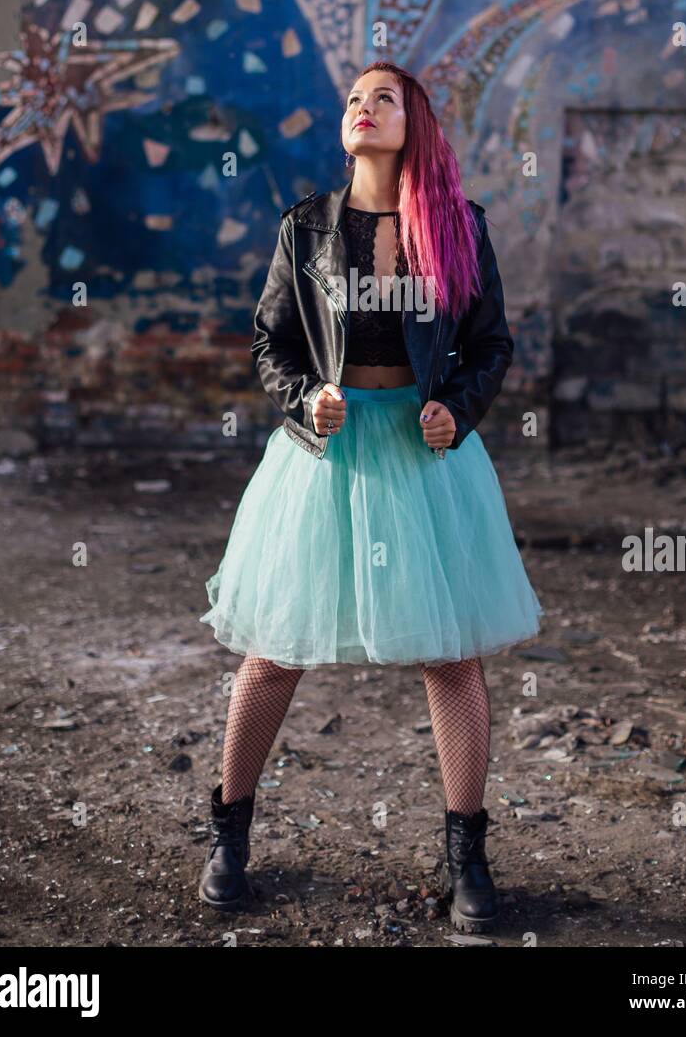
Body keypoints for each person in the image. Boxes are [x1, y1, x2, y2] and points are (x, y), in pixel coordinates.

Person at [197, 59, 544, 934]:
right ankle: (229, 835)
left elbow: (492, 344)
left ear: (413, 121)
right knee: (276, 649)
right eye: (354, 98)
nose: (363, 107)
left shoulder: (458, 225)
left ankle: (469, 858)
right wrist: (304, 397)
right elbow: (271, 341)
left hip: (426, 454)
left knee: (451, 656)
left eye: (382, 97)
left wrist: (458, 407)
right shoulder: (306, 227)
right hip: (326, 451)